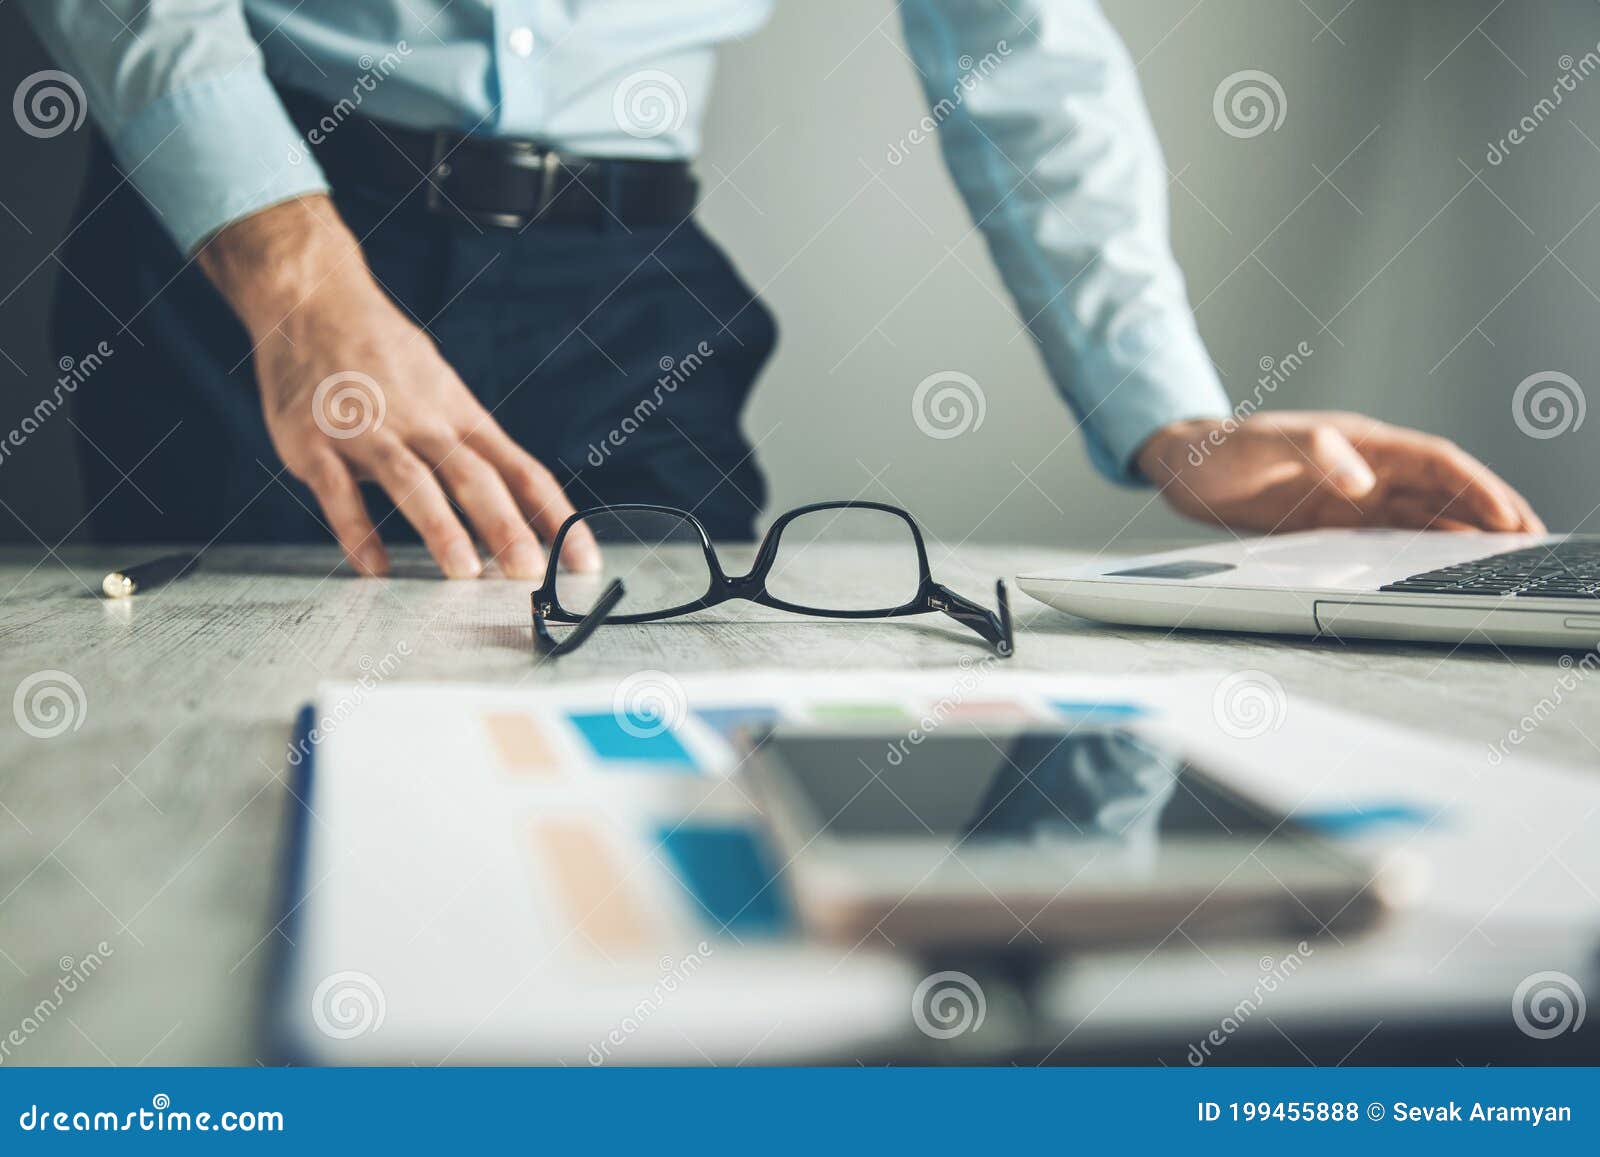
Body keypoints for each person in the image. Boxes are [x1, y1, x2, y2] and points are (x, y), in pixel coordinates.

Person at [20, 0, 1543, 582]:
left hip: (624, 292)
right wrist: (295, 275)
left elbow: (1020, 49)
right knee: (237, 751)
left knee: (635, 734)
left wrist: (1182, 425)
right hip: (241, 249)